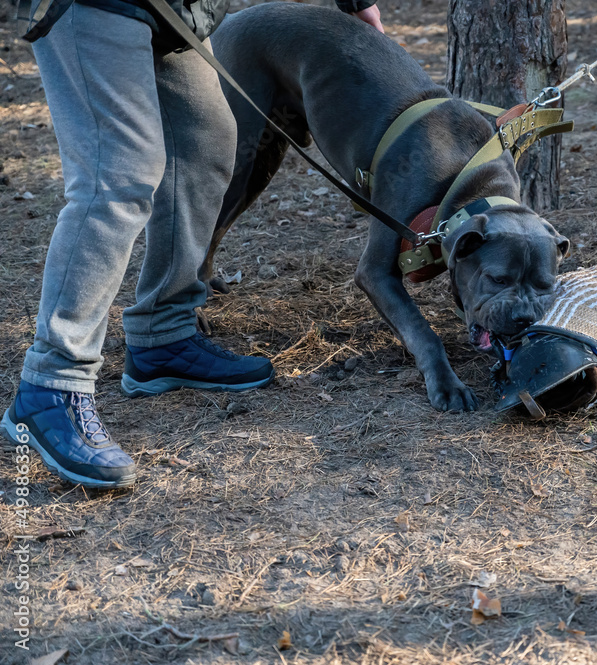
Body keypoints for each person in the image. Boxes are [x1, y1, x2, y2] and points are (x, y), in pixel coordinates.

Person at [1, 0, 383, 490]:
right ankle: (50, 386)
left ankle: (164, 333)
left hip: (174, 12)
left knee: (206, 145)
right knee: (117, 176)